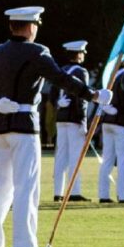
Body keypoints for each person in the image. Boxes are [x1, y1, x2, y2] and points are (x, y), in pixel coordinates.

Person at [0, 6, 108, 247]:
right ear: (30, 27)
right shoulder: (37, 52)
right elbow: (61, 78)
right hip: (24, 126)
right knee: (26, 185)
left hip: (0, 126)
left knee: (0, 186)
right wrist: (92, 94)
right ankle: (25, 245)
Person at [49, 40, 94, 201]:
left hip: (61, 117)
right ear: (79, 54)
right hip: (74, 118)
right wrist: (83, 121)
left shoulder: (60, 71)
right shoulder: (81, 72)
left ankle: (58, 192)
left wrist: (57, 104)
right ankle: (74, 192)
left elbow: (52, 95)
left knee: (61, 156)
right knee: (75, 156)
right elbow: (81, 99)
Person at [97, 58, 124, 203]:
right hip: (122, 122)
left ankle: (103, 194)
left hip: (107, 121)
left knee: (107, 160)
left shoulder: (110, 76)